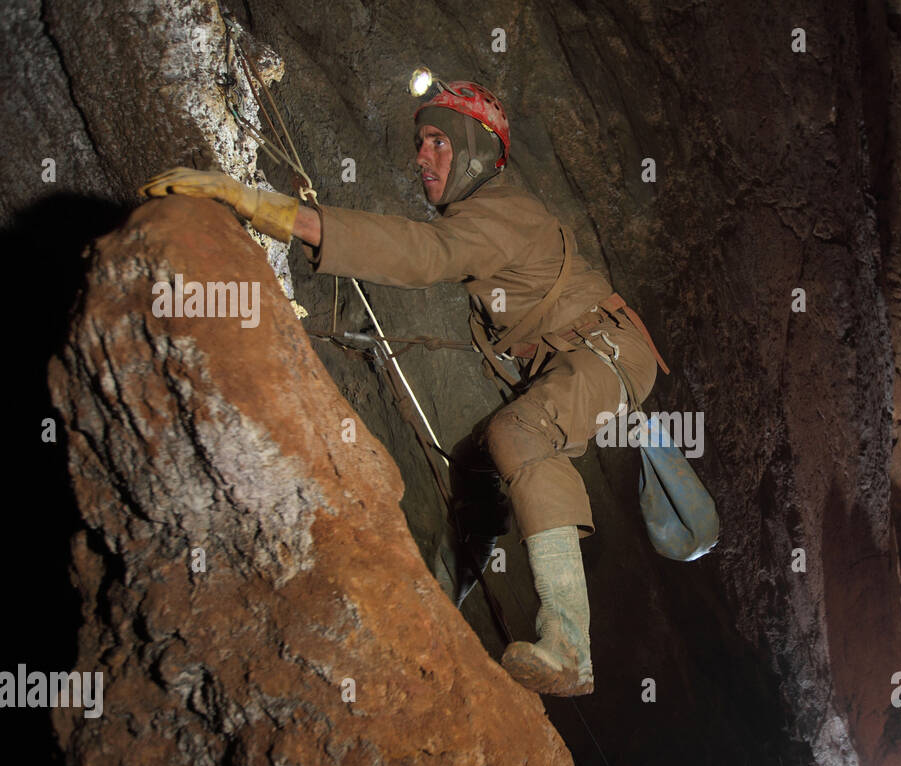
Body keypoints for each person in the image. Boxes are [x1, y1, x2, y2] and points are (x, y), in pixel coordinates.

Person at [139, 78, 669, 697]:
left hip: (608, 352)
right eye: (421, 144)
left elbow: (420, 253)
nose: (422, 158)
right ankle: (436, 611)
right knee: (476, 469)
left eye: (439, 141)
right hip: (572, 359)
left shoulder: (505, 209)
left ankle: (571, 646)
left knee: (519, 434)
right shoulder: (483, 222)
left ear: (475, 148)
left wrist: (269, 208)